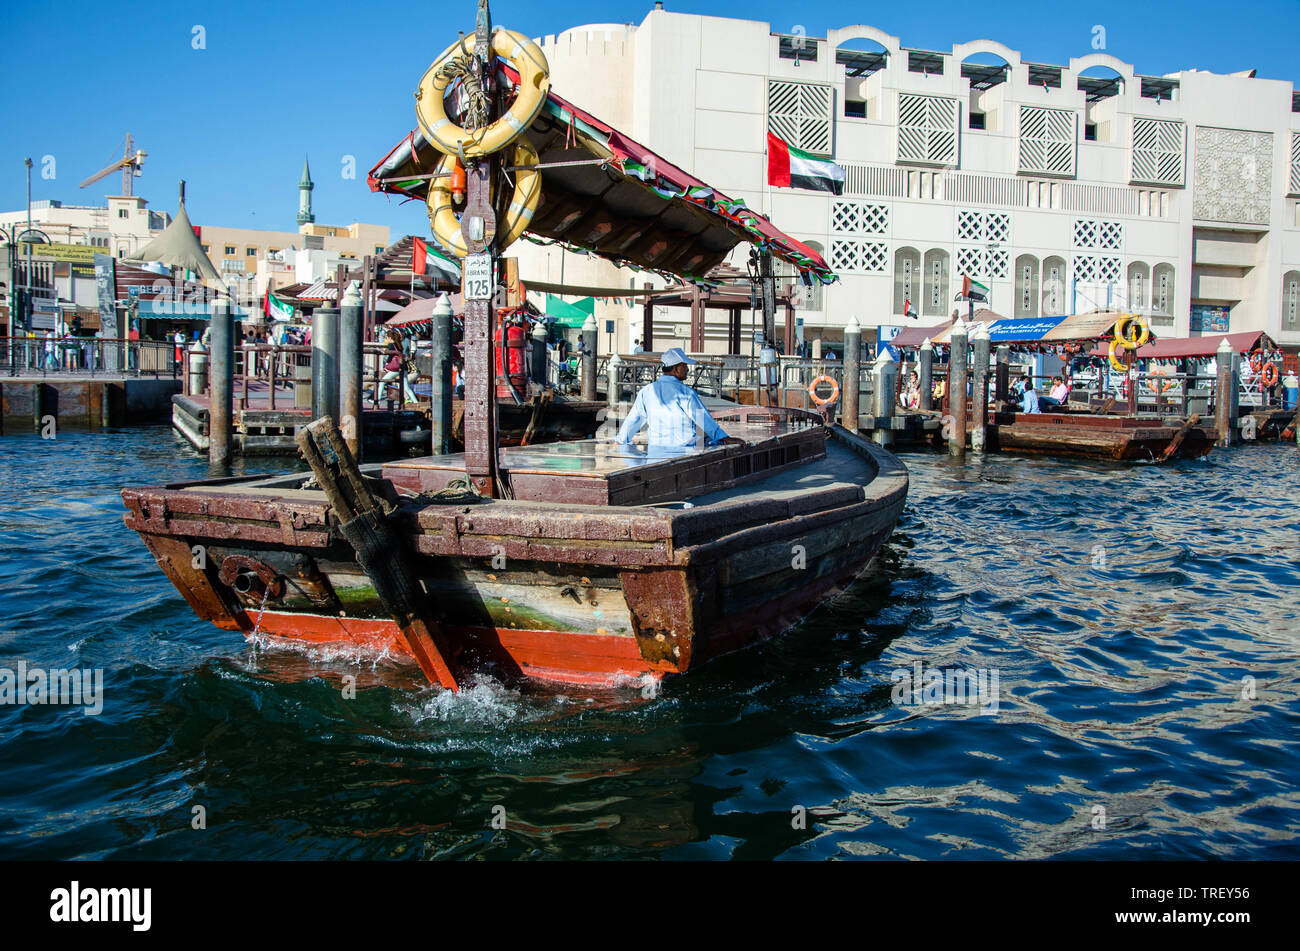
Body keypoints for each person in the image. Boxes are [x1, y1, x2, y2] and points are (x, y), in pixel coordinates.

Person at [617, 347, 746, 451]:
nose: (688, 369)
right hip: (684, 449)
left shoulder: (646, 391)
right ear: (676, 369)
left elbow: (633, 419)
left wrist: (620, 440)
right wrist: (724, 437)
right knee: (709, 441)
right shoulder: (686, 393)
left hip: (656, 450)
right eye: (684, 366)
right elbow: (703, 419)